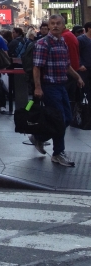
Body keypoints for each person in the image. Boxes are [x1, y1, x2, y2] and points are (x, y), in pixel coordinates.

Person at [31, 14, 86, 166]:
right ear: (48, 25)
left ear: (63, 25)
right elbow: (37, 67)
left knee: (67, 118)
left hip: (61, 85)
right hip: (49, 87)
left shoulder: (63, 43)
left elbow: (66, 65)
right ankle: (58, 152)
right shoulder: (43, 43)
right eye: (52, 23)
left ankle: (40, 137)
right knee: (60, 119)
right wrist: (38, 87)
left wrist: (77, 77)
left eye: (58, 23)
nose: (55, 26)